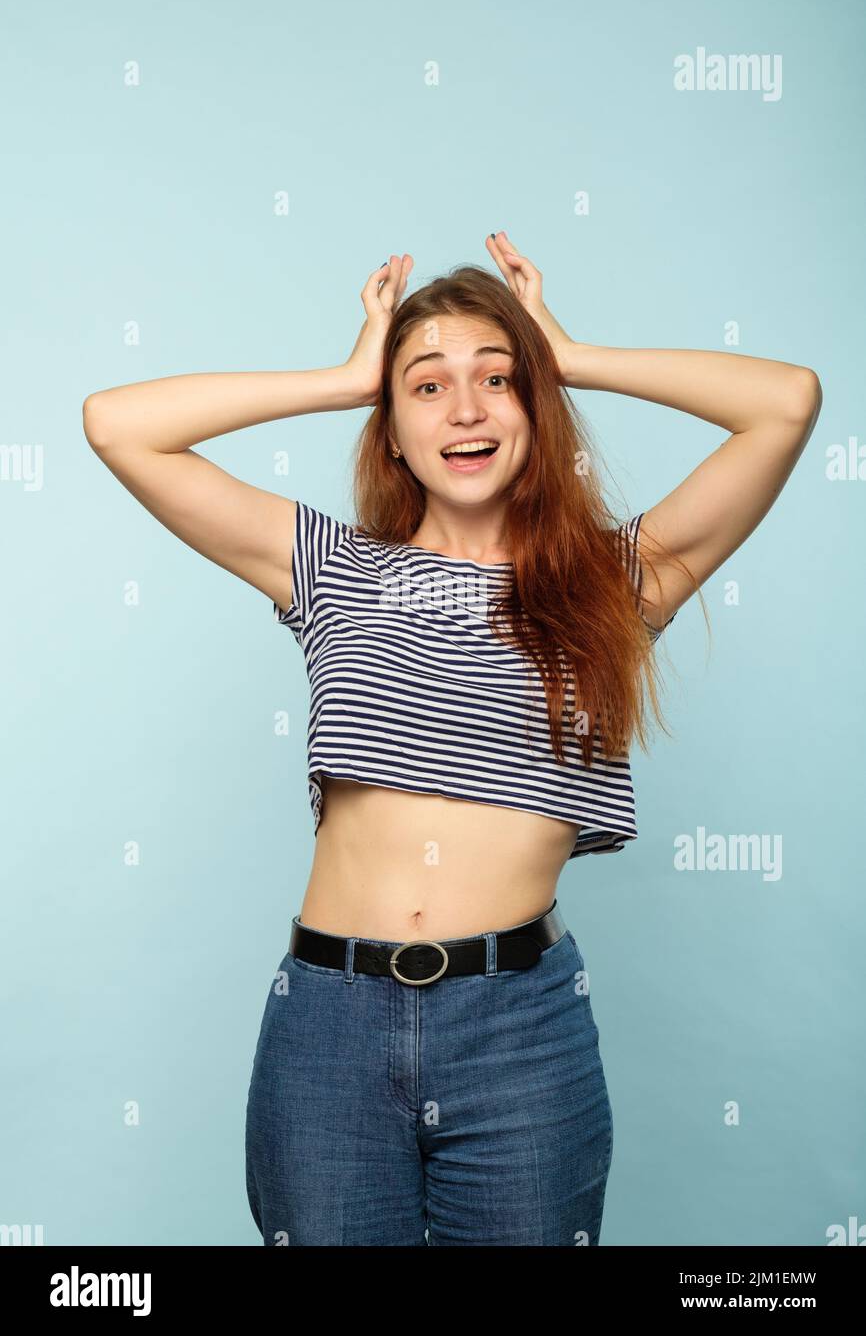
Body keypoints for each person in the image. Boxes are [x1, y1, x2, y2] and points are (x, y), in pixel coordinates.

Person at [83, 232, 821, 1246]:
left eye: (498, 379)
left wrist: (572, 354)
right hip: (329, 1023)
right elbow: (117, 424)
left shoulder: (610, 584)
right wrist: (344, 377)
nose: (464, 409)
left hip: (519, 1025)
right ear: (391, 427)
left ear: (534, 407)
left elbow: (784, 401)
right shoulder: (328, 567)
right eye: (425, 387)